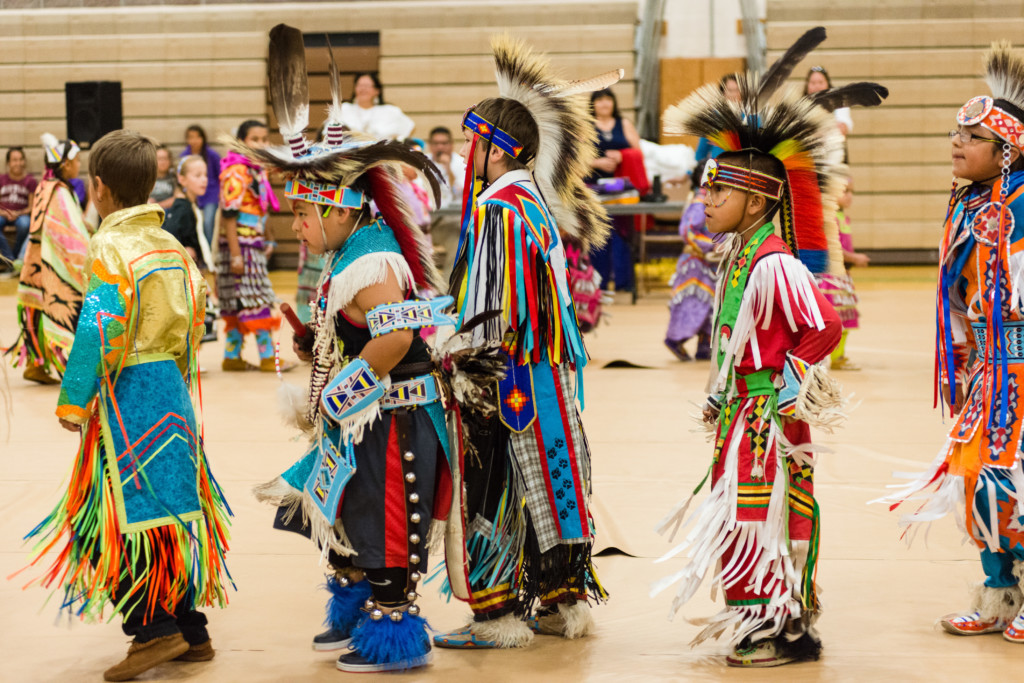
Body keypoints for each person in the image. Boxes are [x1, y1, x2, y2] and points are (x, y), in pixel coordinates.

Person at [652, 27, 875, 668]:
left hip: (768, 422)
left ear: (756, 199)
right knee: (742, 517)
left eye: (717, 190)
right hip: (742, 416)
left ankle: (779, 627)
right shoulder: (741, 255)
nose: (705, 199)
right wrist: (723, 392)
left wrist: (786, 386)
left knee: (762, 518)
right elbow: (736, 340)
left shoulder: (775, 262)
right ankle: (762, 619)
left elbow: (825, 327)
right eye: (705, 187)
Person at [249, 24, 452, 673]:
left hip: (393, 420)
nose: (297, 225)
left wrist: (344, 387)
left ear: (342, 209)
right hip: (368, 418)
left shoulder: (373, 263)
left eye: (305, 213)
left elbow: (396, 335)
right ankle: (358, 608)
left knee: (384, 516)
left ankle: (394, 637)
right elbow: (367, 329)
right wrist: (317, 341)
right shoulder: (352, 257)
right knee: (346, 511)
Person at [23, 129, 231, 682]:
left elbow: (99, 329)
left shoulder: (110, 247)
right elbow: (195, 324)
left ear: (99, 188)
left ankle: (152, 630)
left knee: (107, 522)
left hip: (127, 398)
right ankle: (190, 628)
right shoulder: (173, 248)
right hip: (173, 393)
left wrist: (74, 399)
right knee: (167, 514)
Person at [433, 35, 617, 650]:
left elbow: (493, 305)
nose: (465, 151)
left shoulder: (498, 208)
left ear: (496, 148)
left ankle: (496, 617)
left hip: (507, 374)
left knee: (493, 486)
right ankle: (564, 605)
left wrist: (454, 350)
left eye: (472, 140)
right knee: (551, 479)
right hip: (549, 372)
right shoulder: (535, 200)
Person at [878, 41, 1024, 645]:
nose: (957, 145)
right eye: (955, 135)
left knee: (1014, 482)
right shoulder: (964, 206)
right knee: (976, 483)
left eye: (972, 138)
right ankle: (997, 594)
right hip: (989, 373)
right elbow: (956, 300)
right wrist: (962, 366)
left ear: (1007, 150)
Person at [4, 134, 90, 384]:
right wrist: (87, 250)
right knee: (61, 310)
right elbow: (69, 231)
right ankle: (68, 369)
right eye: (75, 160)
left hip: (37, 260)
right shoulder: (59, 192)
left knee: (41, 311)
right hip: (53, 263)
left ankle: (36, 364)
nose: (78, 164)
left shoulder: (46, 186)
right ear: (63, 163)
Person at [217, 119, 286, 372]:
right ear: (242, 142)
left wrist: (268, 238)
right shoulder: (236, 171)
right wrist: (235, 255)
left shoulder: (257, 169)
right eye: (254, 139)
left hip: (252, 241)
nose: (261, 144)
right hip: (240, 245)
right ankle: (269, 357)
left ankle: (231, 357)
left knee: (241, 301)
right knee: (257, 298)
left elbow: (262, 208)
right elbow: (229, 215)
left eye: (264, 139)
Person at [587, 87, 642, 292]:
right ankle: (599, 284)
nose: (604, 104)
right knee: (598, 234)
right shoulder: (585, 125)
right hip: (594, 187)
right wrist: (597, 163)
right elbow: (574, 158)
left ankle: (623, 284)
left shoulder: (624, 123)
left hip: (622, 189)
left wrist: (622, 156)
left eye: (608, 99)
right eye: (599, 100)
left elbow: (638, 152)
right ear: (593, 104)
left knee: (622, 233)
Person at [664, 160, 718, 361]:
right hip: (695, 265)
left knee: (711, 305)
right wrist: (712, 245)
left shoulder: (710, 200)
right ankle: (675, 339)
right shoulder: (699, 203)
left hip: (709, 265)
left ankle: (705, 346)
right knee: (693, 303)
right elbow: (687, 231)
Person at [816, 165, 868, 370]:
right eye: (845, 191)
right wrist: (855, 258)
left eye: (851, 192)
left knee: (846, 316)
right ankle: (830, 356)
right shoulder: (828, 219)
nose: (849, 196)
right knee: (836, 317)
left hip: (843, 277)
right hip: (830, 278)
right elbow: (832, 247)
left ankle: (839, 357)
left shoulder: (844, 218)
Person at [163, 154, 214, 271]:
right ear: (182, 179)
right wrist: (184, 250)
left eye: (205, 175)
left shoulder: (190, 205)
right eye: (197, 175)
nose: (204, 179)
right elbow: (169, 234)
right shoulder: (182, 207)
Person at [339, 73, 415, 140]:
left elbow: (410, 127)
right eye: (360, 85)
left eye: (367, 86)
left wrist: (398, 142)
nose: (363, 89)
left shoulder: (390, 110)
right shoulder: (344, 109)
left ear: (377, 90)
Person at [182, 125, 222, 245]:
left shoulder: (212, 155)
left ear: (203, 138)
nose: (194, 141)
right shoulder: (184, 156)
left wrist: (221, 194)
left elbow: (221, 175)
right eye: (191, 137)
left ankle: (210, 252)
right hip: (193, 195)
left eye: (197, 137)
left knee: (208, 222)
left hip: (211, 194)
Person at [804, 66, 853, 160]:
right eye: (813, 83)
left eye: (820, 82)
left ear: (827, 84)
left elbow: (842, 130)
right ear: (807, 85)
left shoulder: (840, 104)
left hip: (834, 156)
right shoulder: (801, 105)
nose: (817, 86)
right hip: (809, 157)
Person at [0, 146, 38, 269]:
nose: (18, 163)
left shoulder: (30, 181)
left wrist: (18, 213)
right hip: (2, 214)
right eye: (15, 160)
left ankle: (16, 255)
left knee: (25, 224)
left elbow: (31, 206)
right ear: (8, 163)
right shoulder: (1, 179)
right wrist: (5, 213)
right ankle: (10, 260)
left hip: (21, 215)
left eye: (21, 159)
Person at [694, 75, 743, 165]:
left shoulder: (751, 117)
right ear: (723, 93)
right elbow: (702, 151)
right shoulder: (713, 118)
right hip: (718, 168)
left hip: (743, 168)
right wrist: (694, 172)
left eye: (737, 90)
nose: (734, 94)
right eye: (730, 90)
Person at [148, 144, 177, 210]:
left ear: (170, 161)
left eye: (165, 158)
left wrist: (157, 205)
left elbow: (177, 198)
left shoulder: (174, 178)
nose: (163, 162)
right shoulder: (147, 178)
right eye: (160, 159)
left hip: (169, 211)